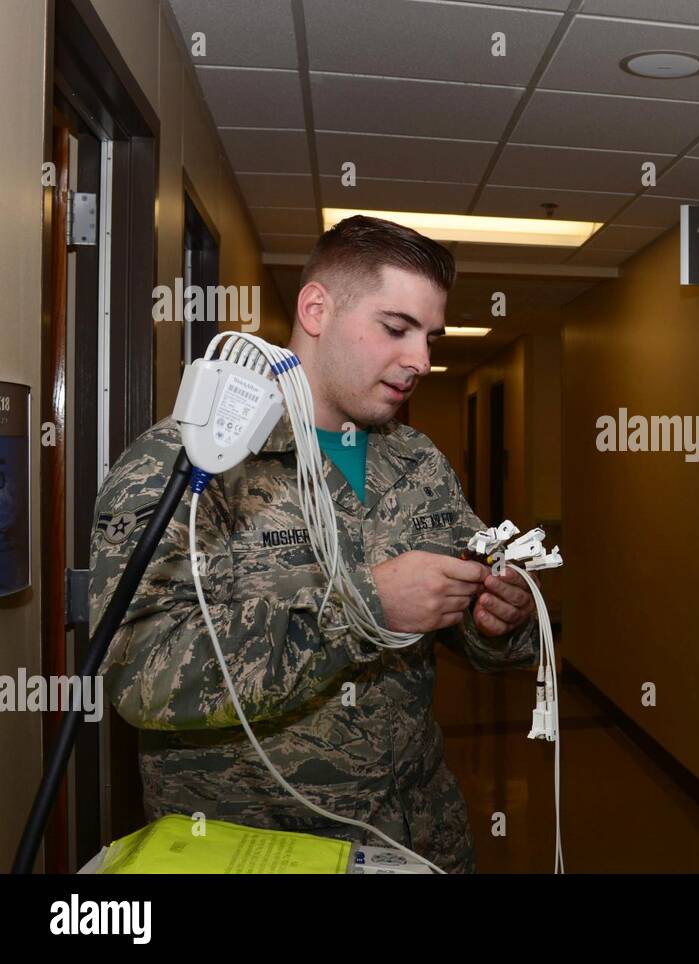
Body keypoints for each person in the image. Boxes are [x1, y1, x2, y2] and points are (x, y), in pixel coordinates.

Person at [89, 215, 537, 872]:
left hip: (413, 837)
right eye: (396, 328)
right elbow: (139, 676)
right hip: (255, 846)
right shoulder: (194, 459)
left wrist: (501, 618)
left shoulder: (417, 462)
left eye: (430, 336)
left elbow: (470, 628)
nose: (421, 360)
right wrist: (364, 605)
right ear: (317, 309)